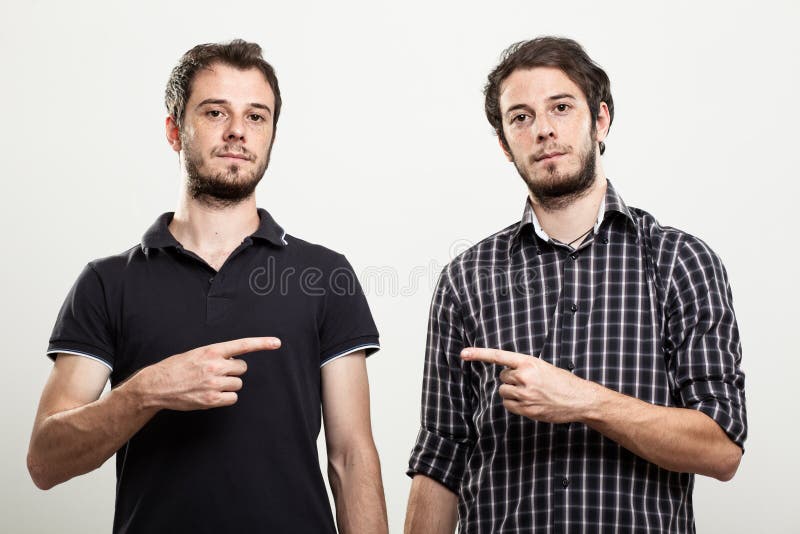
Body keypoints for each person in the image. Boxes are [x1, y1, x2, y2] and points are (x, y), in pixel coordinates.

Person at [27, 39, 388, 534]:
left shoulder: (325, 275)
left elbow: (351, 457)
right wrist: (146, 391)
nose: (238, 131)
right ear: (175, 130)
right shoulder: (107, 283)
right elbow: (45, 461)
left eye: (256, 117)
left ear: (272, 135)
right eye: (216, 111)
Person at [404, 36, 746, 533]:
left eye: (560, 107)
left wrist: (581, 400)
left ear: (600, 120)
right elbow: (441, 452)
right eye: (520, 117)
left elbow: (721, 449)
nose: (543, 129)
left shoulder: (680, 262)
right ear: (505, 143)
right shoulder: (466, 279)